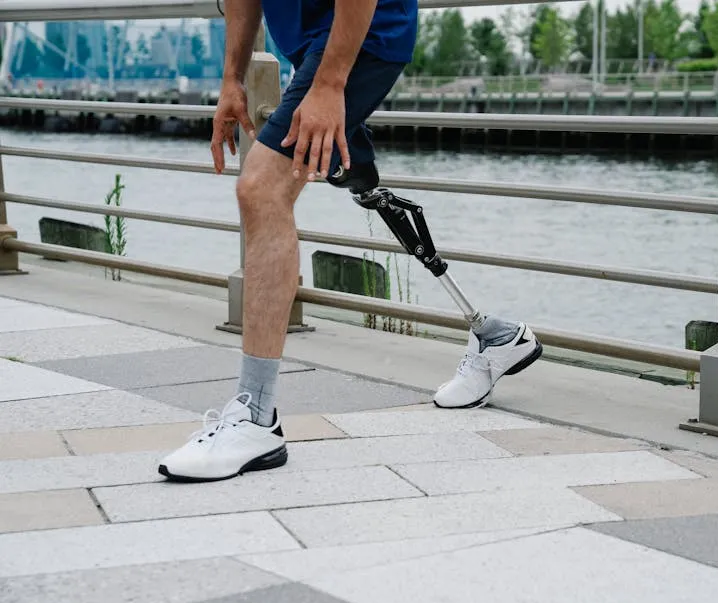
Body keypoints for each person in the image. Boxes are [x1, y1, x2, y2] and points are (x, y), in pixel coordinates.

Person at [157, 0, 542, 482]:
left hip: (363, 34)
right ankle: (497, 336)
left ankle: (256, 418)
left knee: (263, 187)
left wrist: (330, 83)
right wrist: (232, 77)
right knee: (358, 180)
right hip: (314, 45)